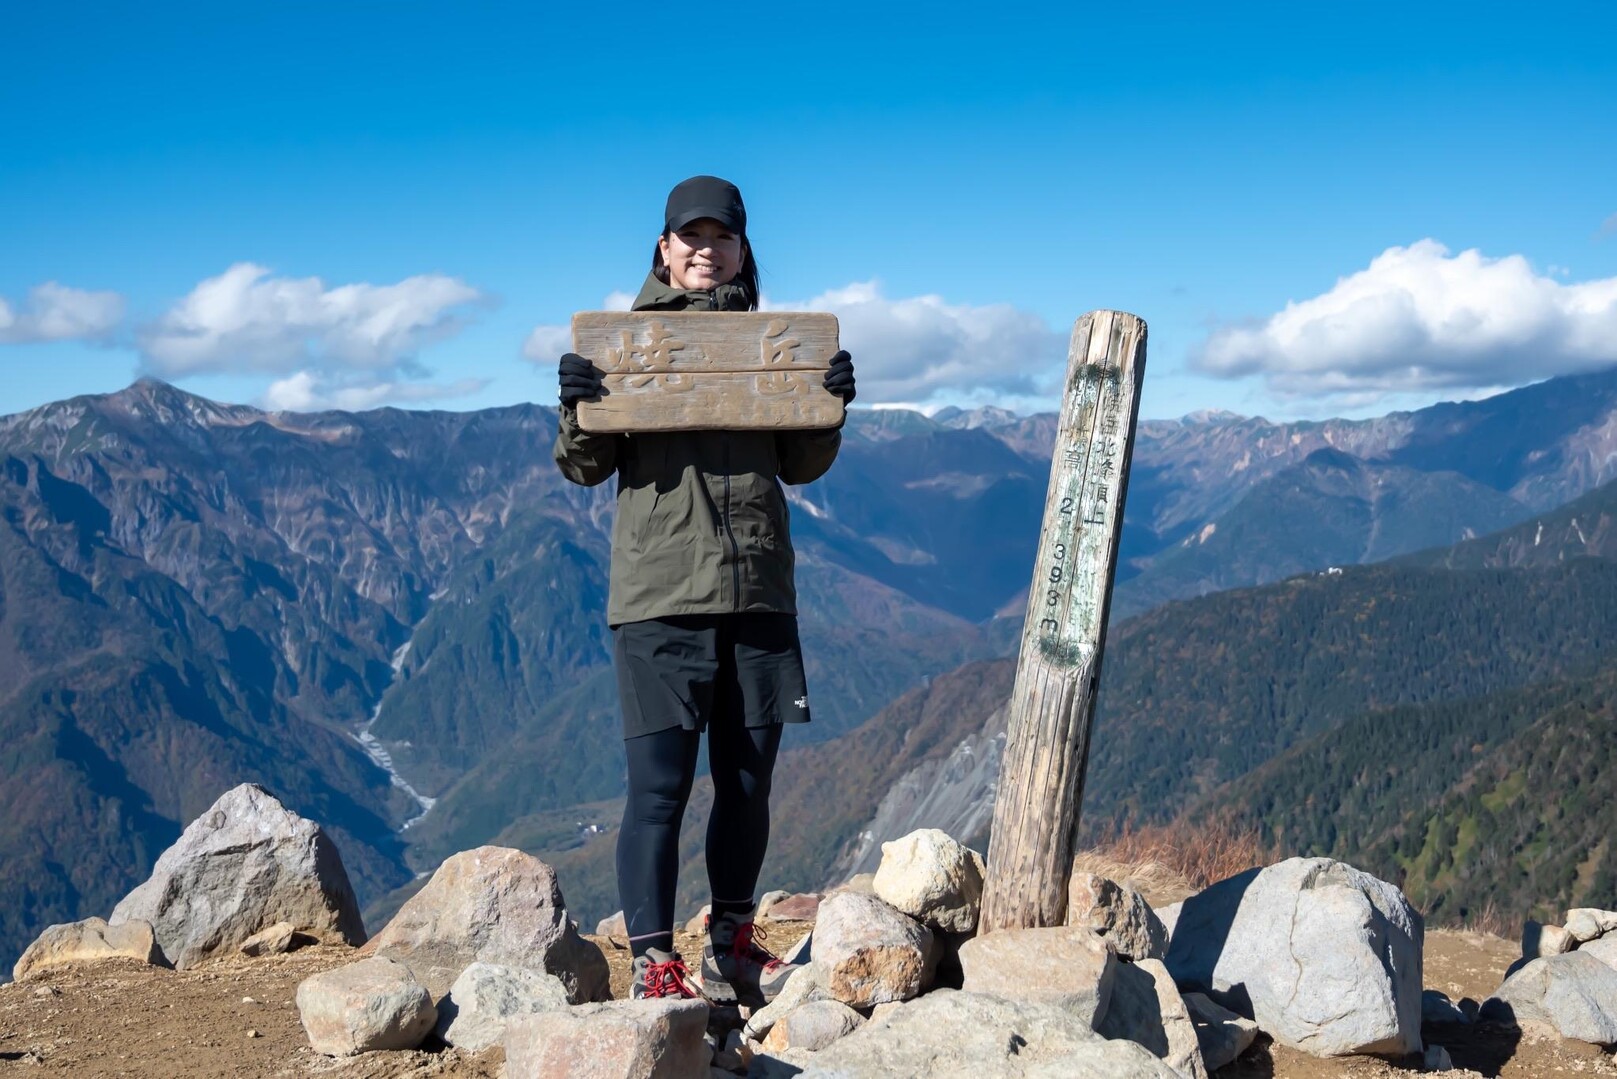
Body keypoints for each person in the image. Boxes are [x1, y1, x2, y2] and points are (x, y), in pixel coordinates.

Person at [553, 175, 856, 1003]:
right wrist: (575, 407)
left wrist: (827, 406)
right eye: (688, 235)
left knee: (748, 782)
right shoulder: (625, 343)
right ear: (662, 248)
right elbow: (583, 469)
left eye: (719, 235)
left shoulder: (772, 346)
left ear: (740, 249)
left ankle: (731, 936)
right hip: (659, 597)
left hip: (757, 589)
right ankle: (653, 961)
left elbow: (798, 464)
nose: (702, 248)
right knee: (659, 789)